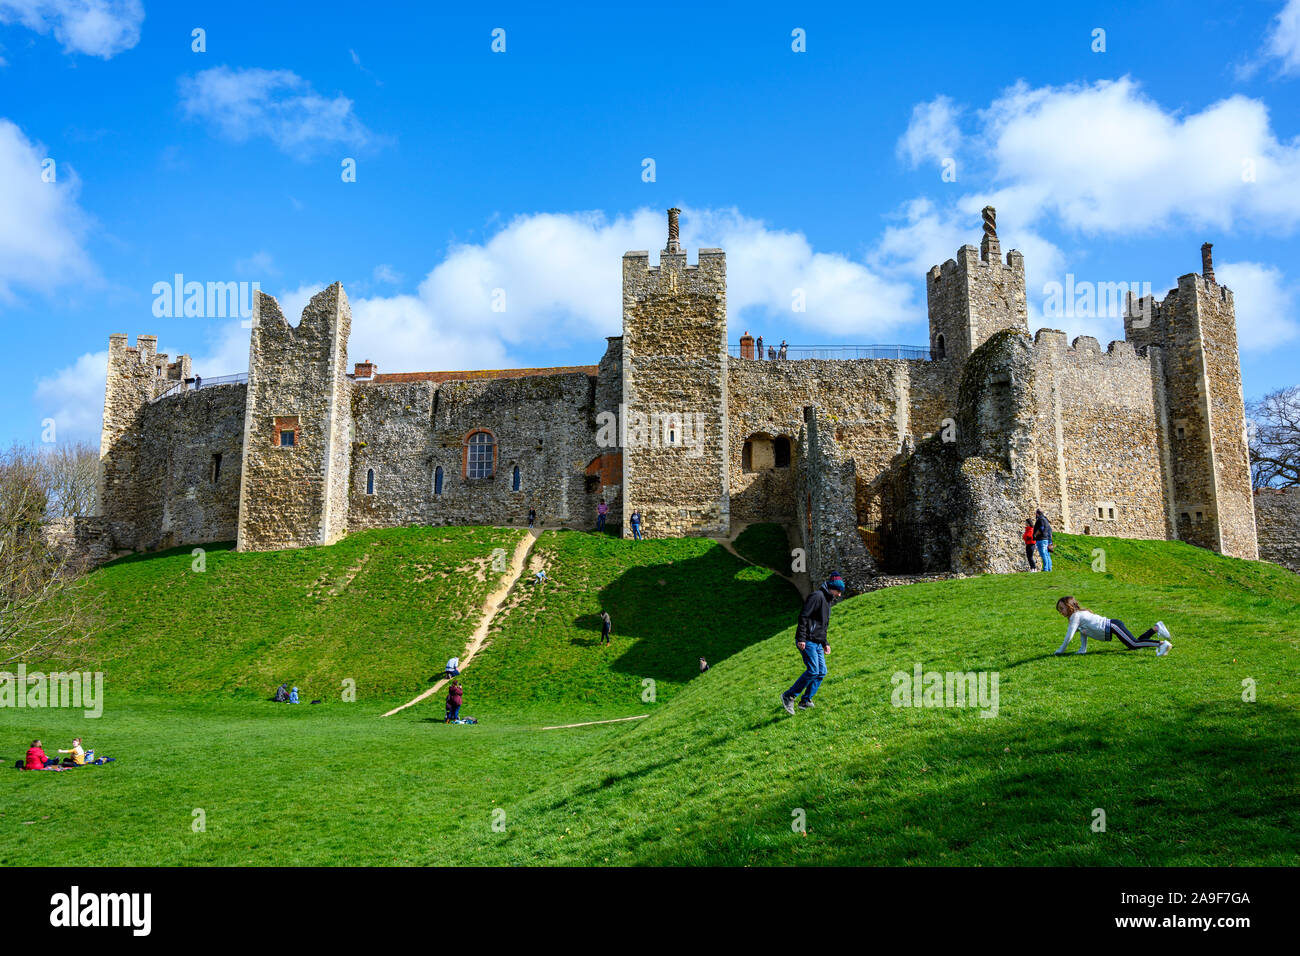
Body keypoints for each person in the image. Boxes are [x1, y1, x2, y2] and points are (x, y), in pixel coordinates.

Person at [780, 574, 845, 714]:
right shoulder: (817, 597)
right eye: (838, 591)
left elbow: (822, 625)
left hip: (817, 642)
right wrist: (801, 638)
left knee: (822, 672)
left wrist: (825, 643)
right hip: (807, 640)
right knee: (813, 671)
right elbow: (804, 616)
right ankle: (789, 696)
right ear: (832, 588)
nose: (839, 595)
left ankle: (805, 700)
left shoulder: (827, 600)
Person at [1054, 596, 1172, 656]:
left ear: (1069, 606)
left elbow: (1069, 637)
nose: (1061, 612)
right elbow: (1083, 632)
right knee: (1136, 642)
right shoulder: (1077, 616)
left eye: (1062, 608)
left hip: (1113, 626)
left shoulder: (1075, 616)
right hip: (1113, 626)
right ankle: (1156, 628)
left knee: (1133, 644)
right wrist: (1082, 649)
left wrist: (1060, 651)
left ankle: (1162, 644)